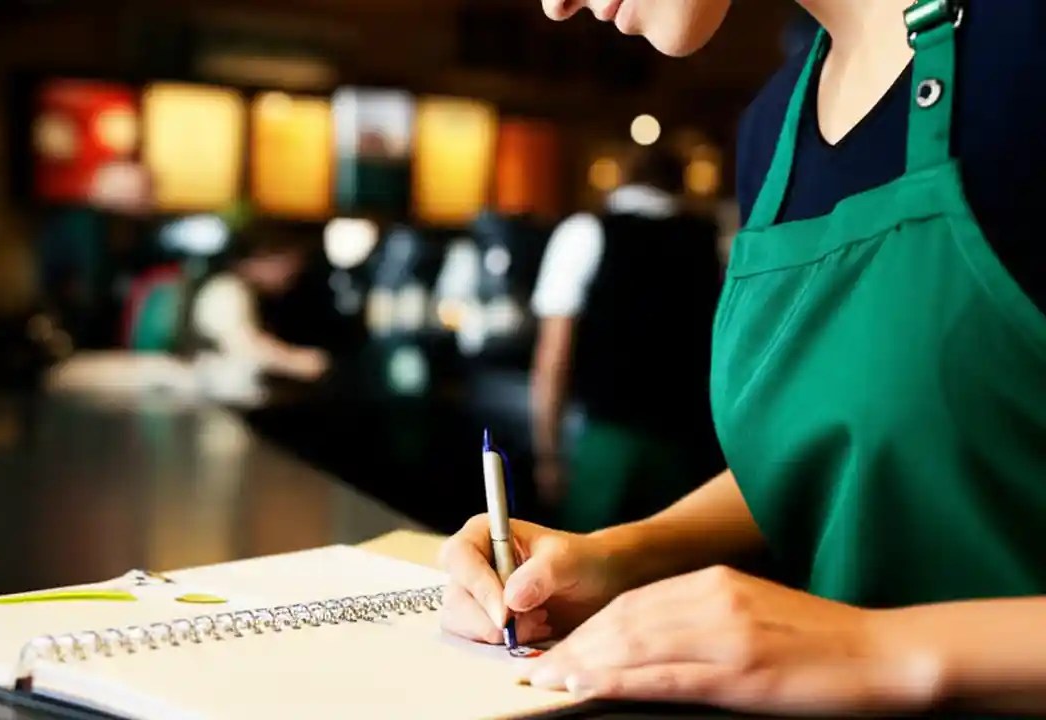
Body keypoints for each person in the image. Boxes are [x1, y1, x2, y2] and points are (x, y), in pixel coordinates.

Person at [439, 0, 1046, 715]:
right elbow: (864, 453)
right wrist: (623, 557)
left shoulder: (1028, 48)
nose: (553, 5)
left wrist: (875, 649)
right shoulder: (772, 128)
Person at [529, 147, 722, 531]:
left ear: (623, 179)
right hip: (689, 443)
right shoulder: (709, 240)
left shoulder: (586, 232)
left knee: (584, 570)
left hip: (607, 438)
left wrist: (548, 453)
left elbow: (554, 354)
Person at [190, 228, 331, 382]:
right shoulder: (227, 289)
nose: (293, 274)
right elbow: (244, 347)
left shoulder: (254, 294)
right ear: (263, 256)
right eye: (287, 263)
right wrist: (300, 362)